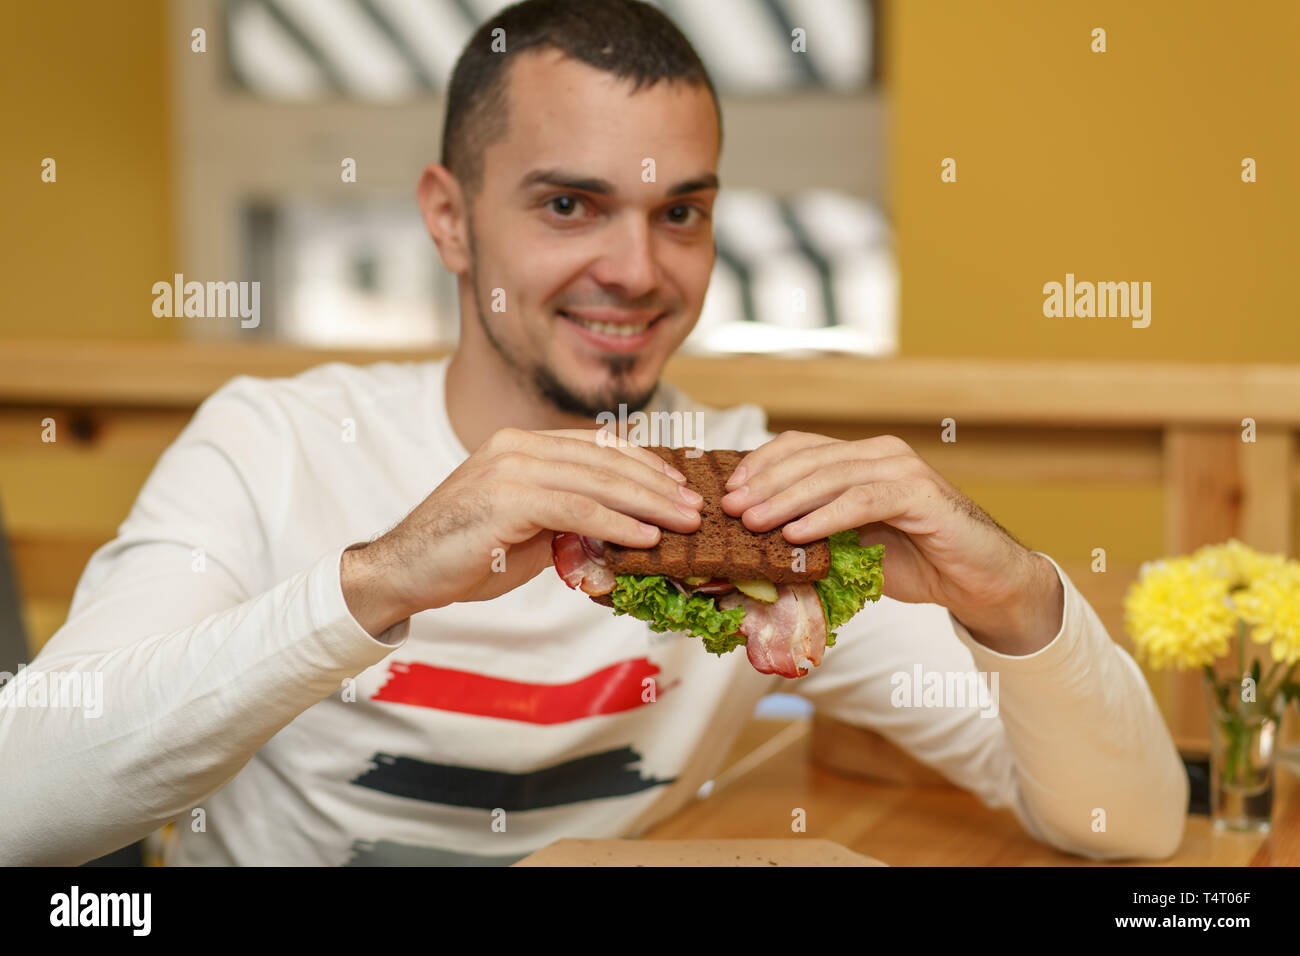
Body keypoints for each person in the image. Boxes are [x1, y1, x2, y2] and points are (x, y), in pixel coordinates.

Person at [0, 0, 1186, 866]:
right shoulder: (275, 443)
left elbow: (1120, 824)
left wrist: (1016, 598)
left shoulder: (764, 502)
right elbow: (22, 805)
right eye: (569, 204)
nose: (635, 268)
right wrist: (379, 578)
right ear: (450, 220)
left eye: (682, 213)